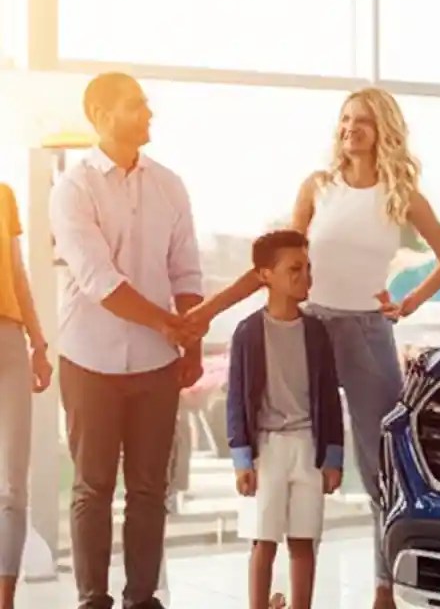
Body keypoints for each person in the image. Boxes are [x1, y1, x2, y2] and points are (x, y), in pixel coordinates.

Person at [188, 87, 440, 608]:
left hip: (365, 332)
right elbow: (274, 263)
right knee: (286, 448)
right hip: (308, 328)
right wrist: (207, 310)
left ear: (383, 129)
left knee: (379, 460)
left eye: (361, 120)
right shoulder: (318, 188)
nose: (349, 128)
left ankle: (384, 584)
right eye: (344, 119)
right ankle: (280, 587)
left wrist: (408, 304)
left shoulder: (401, 197)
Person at [49, 73, 205, 609]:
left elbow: (186, 272)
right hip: (89, 358)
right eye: (136, 106)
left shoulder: (170, 185)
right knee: (93, 488)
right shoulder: (73, 188)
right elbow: (97, 279)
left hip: (157, 365)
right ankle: (93, 599)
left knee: (148, 491)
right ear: (101, 113)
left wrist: (192, 345)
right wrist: (165, 325)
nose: (148, 114)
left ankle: (143, 599)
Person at [228, 230, 343, 609]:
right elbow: (237, 397)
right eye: (295, 269)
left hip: (309, 446)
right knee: (264, 540)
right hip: (267, 447)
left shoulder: (316, 332)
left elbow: (329, 395)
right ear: (266, 275)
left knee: (303, 540)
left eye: (307, 268)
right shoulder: (248, 333)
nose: (305, 276)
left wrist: (334, 457)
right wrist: (243, 459)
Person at [0, 182, 52, 609]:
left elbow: (17, 273)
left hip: (9, 339)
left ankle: (6, 601)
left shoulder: (4, 195)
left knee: (12, 486)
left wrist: (39, 343)